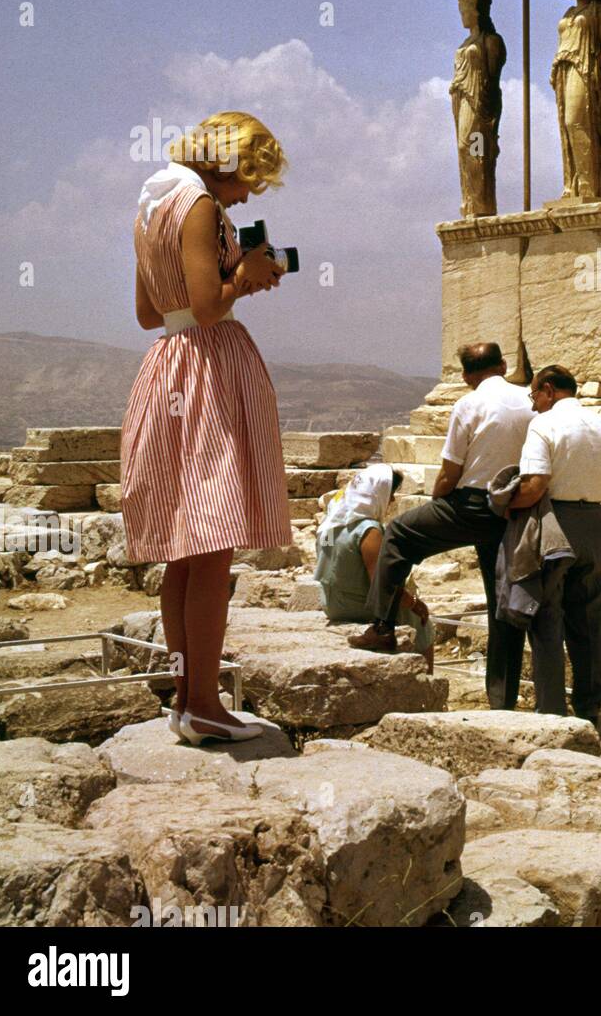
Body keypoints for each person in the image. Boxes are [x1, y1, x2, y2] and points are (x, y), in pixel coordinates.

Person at [121, 111, 290, 747]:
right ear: (229, 163)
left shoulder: (150, 204)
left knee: (186, 553)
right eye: (248, 180)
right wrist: (245, 274)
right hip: (208, 372)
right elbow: (208, 304)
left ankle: (187, 699)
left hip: (167, 366)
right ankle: (205, 705)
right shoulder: (197, 205)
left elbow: (148, 314)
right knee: (213, 547)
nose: (247, 196)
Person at [349, 342, 530, 711]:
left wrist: (438, 504)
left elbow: (450, 471)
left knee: (399, 534)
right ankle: (503, 701)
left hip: (471, 505)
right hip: (515, 506)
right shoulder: (529, 397)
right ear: (505, 365)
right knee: (503, 605)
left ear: (466, 376)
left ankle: (382, 627)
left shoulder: (469, 403)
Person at [509, 364, 601, 724]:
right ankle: (589, 707)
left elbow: (536, 482)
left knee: (546, 618)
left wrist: (506, 506)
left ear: (548, 390)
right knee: (589, 619)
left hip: (554, 524)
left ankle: (552, 711)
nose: (533, 404)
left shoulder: (544, 424)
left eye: (534, 395)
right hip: (593, 525)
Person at [314, 464, 435, 667]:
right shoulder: (369, 530)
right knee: (421, 621)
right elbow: (382, 585)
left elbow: (327, 562)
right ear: (376, 493)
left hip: (331, 603)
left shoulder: (330, 523)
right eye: (390, 493)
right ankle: (428, 680)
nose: (393, 500)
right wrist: (414, 603)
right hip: (356, 606)